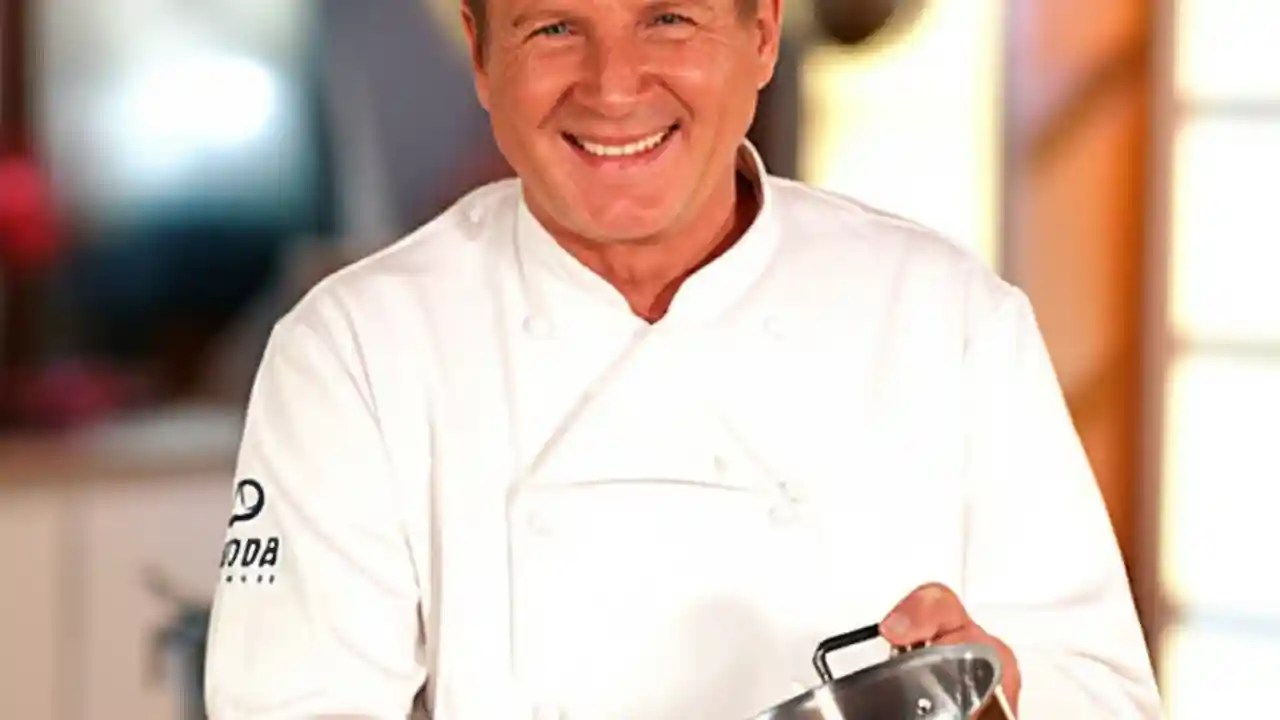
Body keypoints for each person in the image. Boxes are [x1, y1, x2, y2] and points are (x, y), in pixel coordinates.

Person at [203, 0, 1164, 716]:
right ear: (480, 53)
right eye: (552, 28)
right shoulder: (356, 353)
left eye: (669, 18)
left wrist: (997, 687)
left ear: (762, 34)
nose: (614, 87)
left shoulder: (947, 318)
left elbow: (1107, 695)